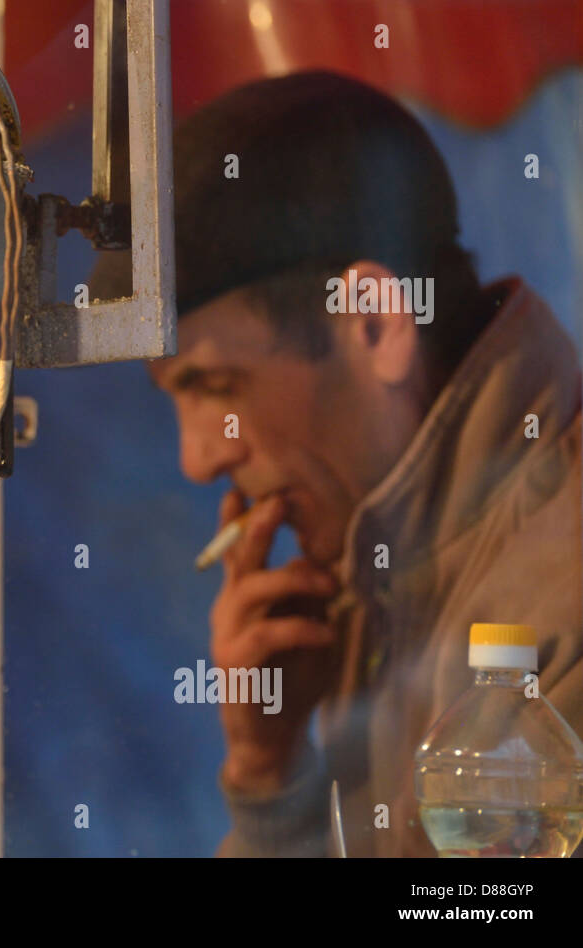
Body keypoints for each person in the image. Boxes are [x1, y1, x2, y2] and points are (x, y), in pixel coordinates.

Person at [92, 70, 583, 856]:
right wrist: (270, 778)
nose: (197, 459)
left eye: (217, 386)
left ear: (375, 323)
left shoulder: (560, 610)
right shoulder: (372, 585)